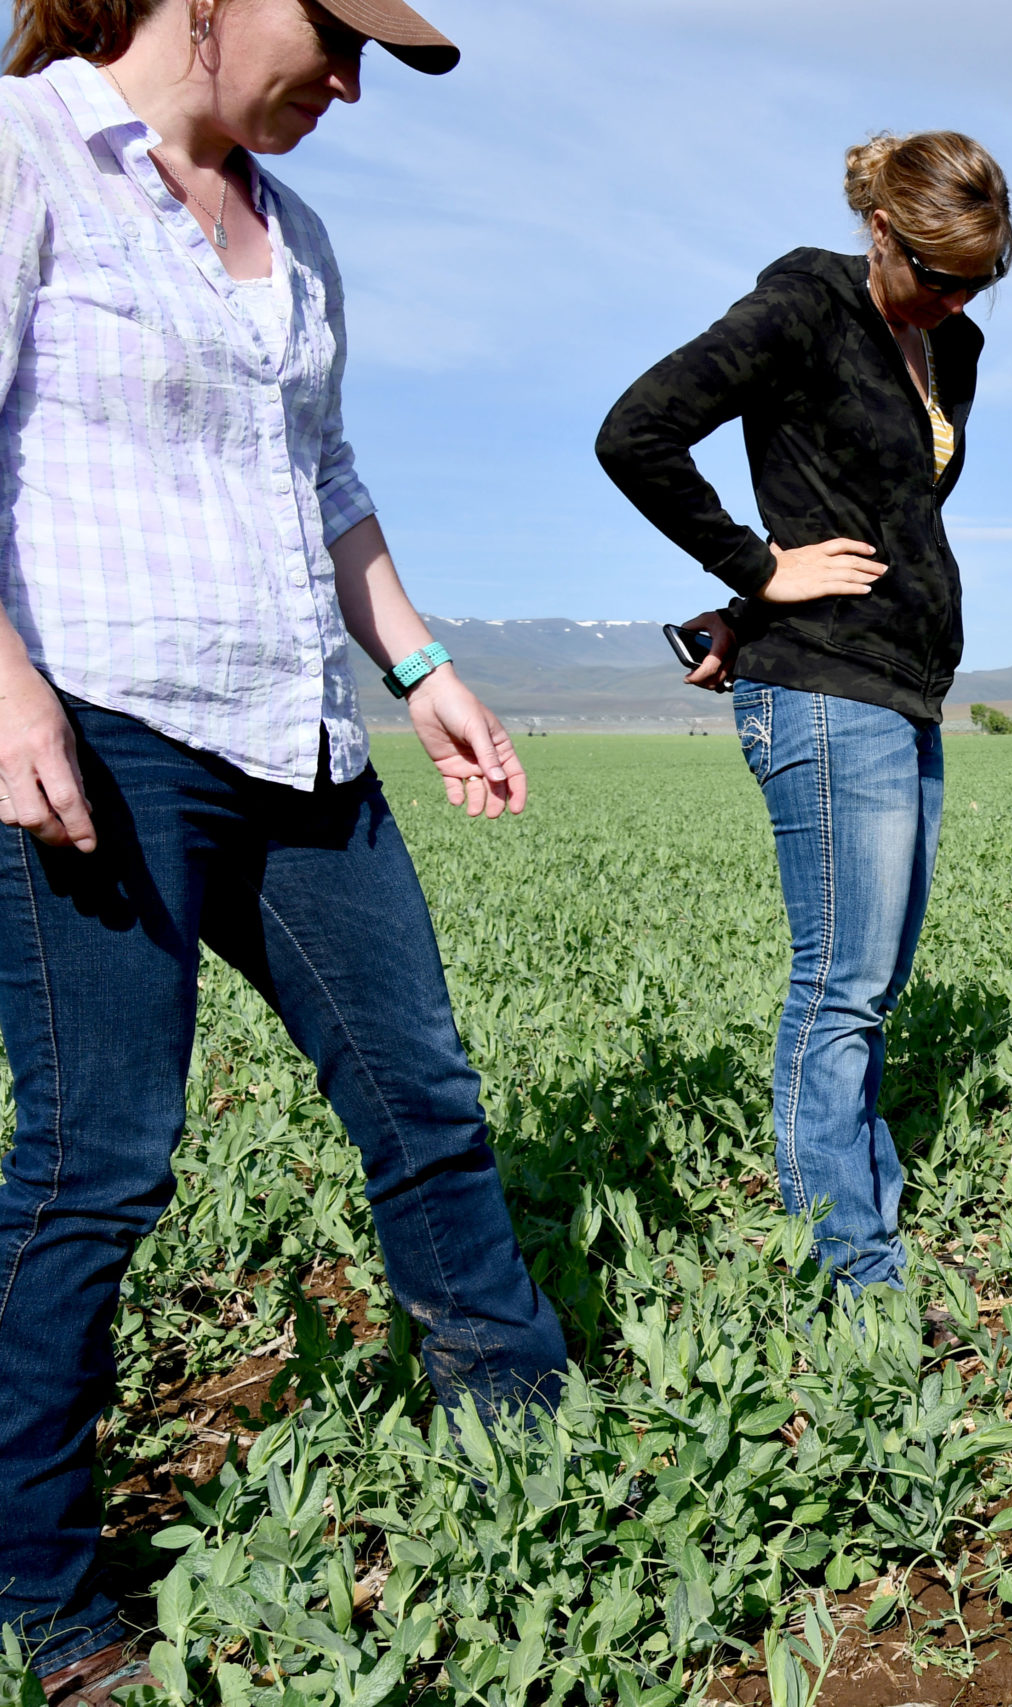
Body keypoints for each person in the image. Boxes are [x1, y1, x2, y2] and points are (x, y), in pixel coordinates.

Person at [0, 0, 569, 1693]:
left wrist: (423, 666)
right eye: (336, 34)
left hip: (298, 737)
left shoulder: (295, 231)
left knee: (428, 1102)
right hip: (101, 717)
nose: (351, 80)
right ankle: (39, 1584)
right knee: (96, 1161)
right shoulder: (25, 151)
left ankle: (532, 1455)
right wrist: (8, 691)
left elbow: (324, 478)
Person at [595, 130, 1011, 1295]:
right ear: (880, 231)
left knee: (869, 990)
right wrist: (759, 571)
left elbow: (858, 508)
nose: (956, 297)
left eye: (978, 277)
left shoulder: (952, 345)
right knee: (839, 987)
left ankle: (857, 1229)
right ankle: (849, 1275)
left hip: (901, 687)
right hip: (826, 695)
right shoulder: (802, 309)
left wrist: (744, 600)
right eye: (936, 272)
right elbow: (636, 432)